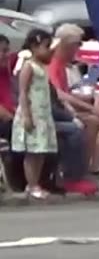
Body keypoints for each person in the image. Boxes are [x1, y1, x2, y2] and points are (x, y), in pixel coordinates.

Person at [10, 29, 58, 200]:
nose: (49, 50)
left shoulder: (43, 67)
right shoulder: (28, 66)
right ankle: (31, 185)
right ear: (33, 46)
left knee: (40, 151)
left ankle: (35, 182)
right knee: (32, 153)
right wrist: (26, 115)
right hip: (32, 113)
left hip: (43, 115)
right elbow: (23, 92)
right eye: (46, 46)